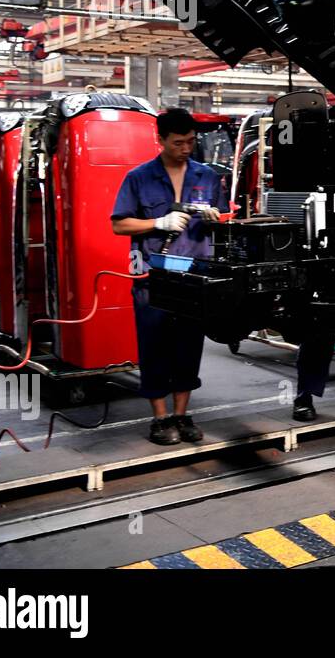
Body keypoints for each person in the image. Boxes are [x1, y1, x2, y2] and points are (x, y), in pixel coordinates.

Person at [112, 107, 225, 445]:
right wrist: (157, 223)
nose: (186, 149)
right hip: (153, 277)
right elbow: (119, 224)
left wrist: (214, 216)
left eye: (191, 142)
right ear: (159, 140)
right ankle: (160, 418)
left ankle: (181, 414)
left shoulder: (206, 176)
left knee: (188, 346)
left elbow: (223, 217)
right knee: (154, 345)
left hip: (193, 275)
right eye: (178, 143)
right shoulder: (139, 178)